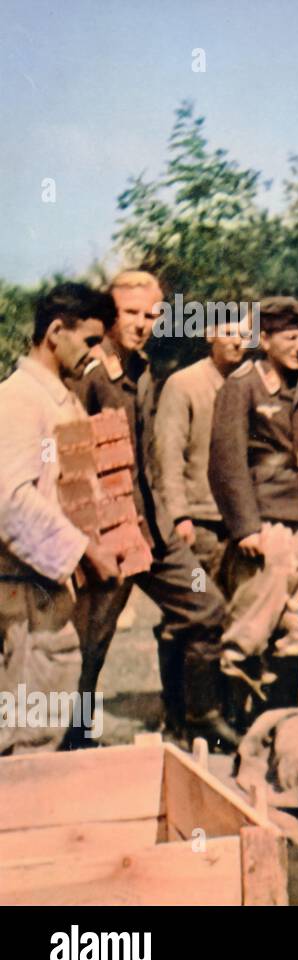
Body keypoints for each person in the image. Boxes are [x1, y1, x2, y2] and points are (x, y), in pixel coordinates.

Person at [72, 271, 233, 748]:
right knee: (91, 643)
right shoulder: (91, 375)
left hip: (153, 529)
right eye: (131, 313)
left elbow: (149, 458)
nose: (142, 324)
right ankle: (73, 736)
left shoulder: (143, 370)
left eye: (151, 315)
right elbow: (73, 464)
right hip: (106, 534)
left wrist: (170, 517)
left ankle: (195, 718)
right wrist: (88, 541)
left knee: (205, 608)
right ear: (108, 316)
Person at [0, 284, 119, 754]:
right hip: (23, 598)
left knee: (44, 727)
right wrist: (81, 551)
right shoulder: (17, 400)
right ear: (54, 332)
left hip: (52, 592)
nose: (95, 355)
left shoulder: (61, 400)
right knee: (23, 739)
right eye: (89, 341)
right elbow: (9, 500)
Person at [209, 298, 298, 727]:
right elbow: (226, 461)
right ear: (266, 340)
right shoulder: (243, 386)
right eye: (290, 338)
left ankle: (277, 721)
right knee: (251, 626)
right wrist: (245, 528)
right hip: (265, 521)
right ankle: (227, 724)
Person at [151, 314, 248, 584]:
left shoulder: (250, 384)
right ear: (209, 334)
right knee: (198, 596)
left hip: (242, 520)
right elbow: (168, 455)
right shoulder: (184, 384)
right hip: (200, 519)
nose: (238, 343)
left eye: (244, 336)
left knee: (234, 607)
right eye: (229, 333)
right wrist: (179, 516)